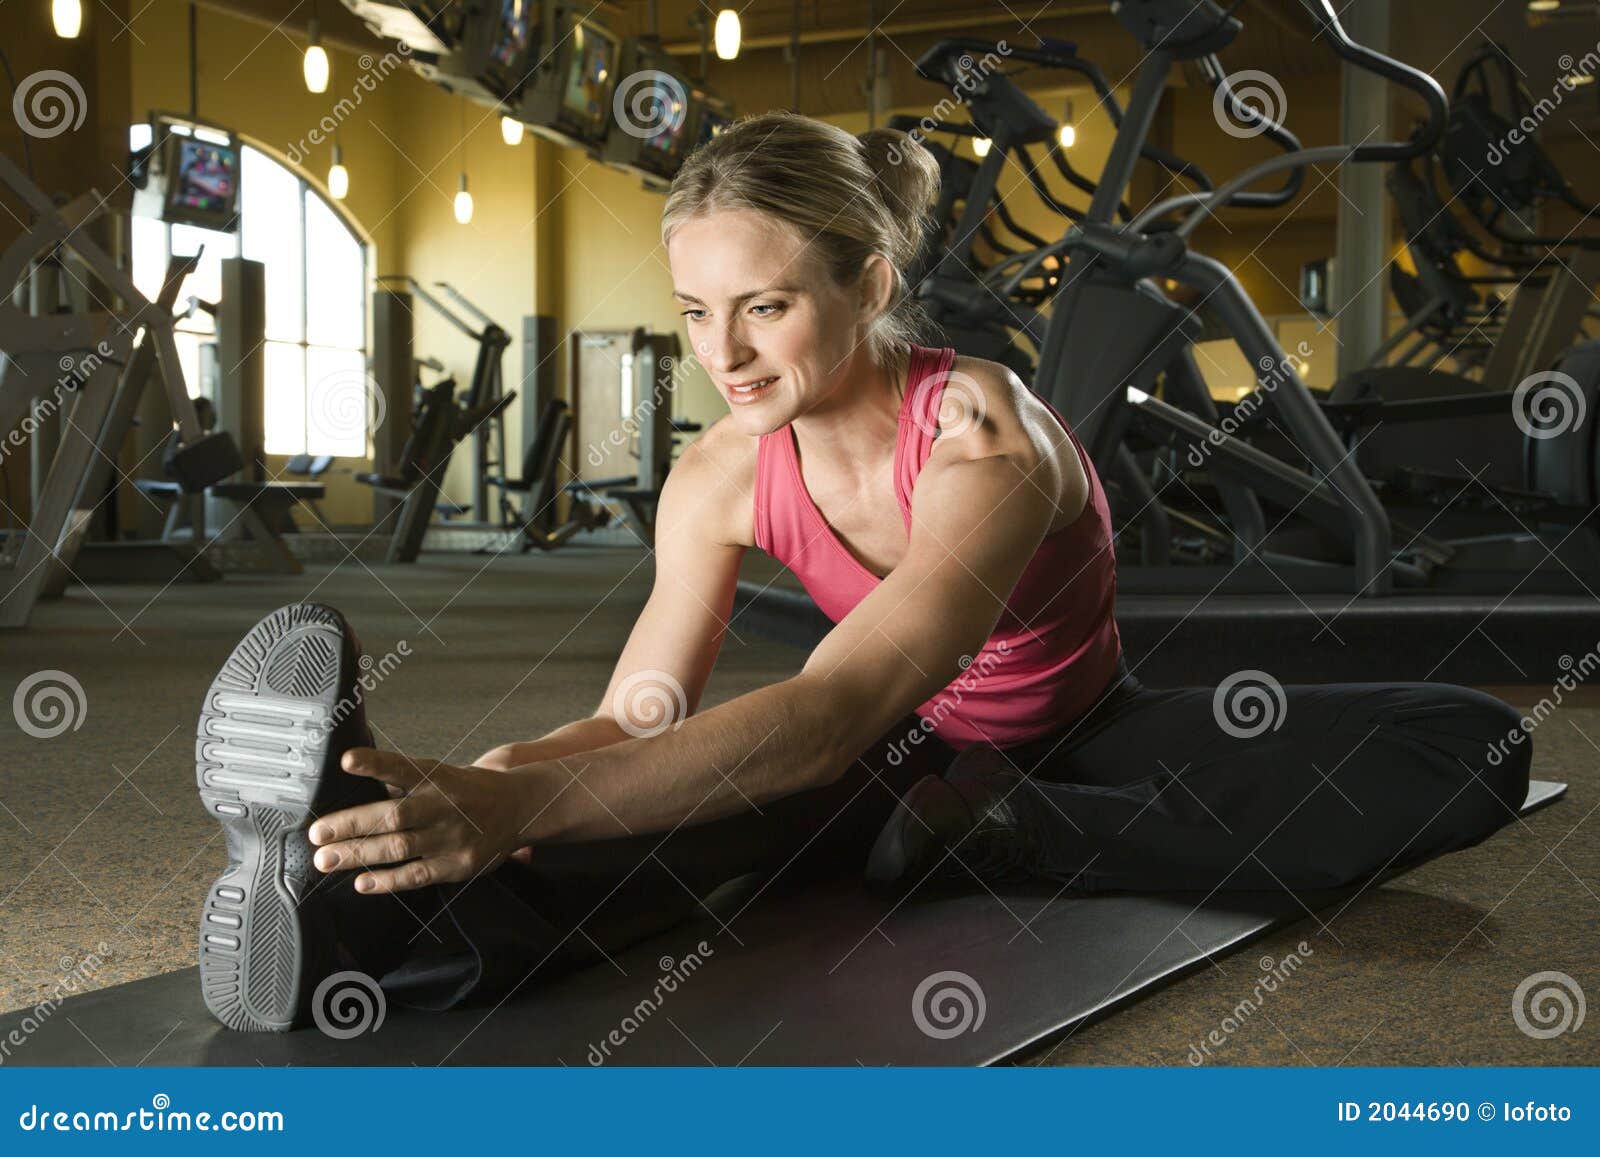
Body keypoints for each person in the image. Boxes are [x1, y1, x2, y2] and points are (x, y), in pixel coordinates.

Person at [196, 112, 1533, 1033]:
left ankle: (1016, 839)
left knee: (1466, 747)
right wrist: (481, 786)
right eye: (698, 314)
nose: (727, 354)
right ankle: (339, 913)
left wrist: (533, 790)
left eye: (766, 305)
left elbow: (830, 708)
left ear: (868, 282)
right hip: (896, 765)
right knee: (648, 818)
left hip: (1080, 744)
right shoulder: (720, 472)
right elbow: (642, 720)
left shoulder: (984, 439)